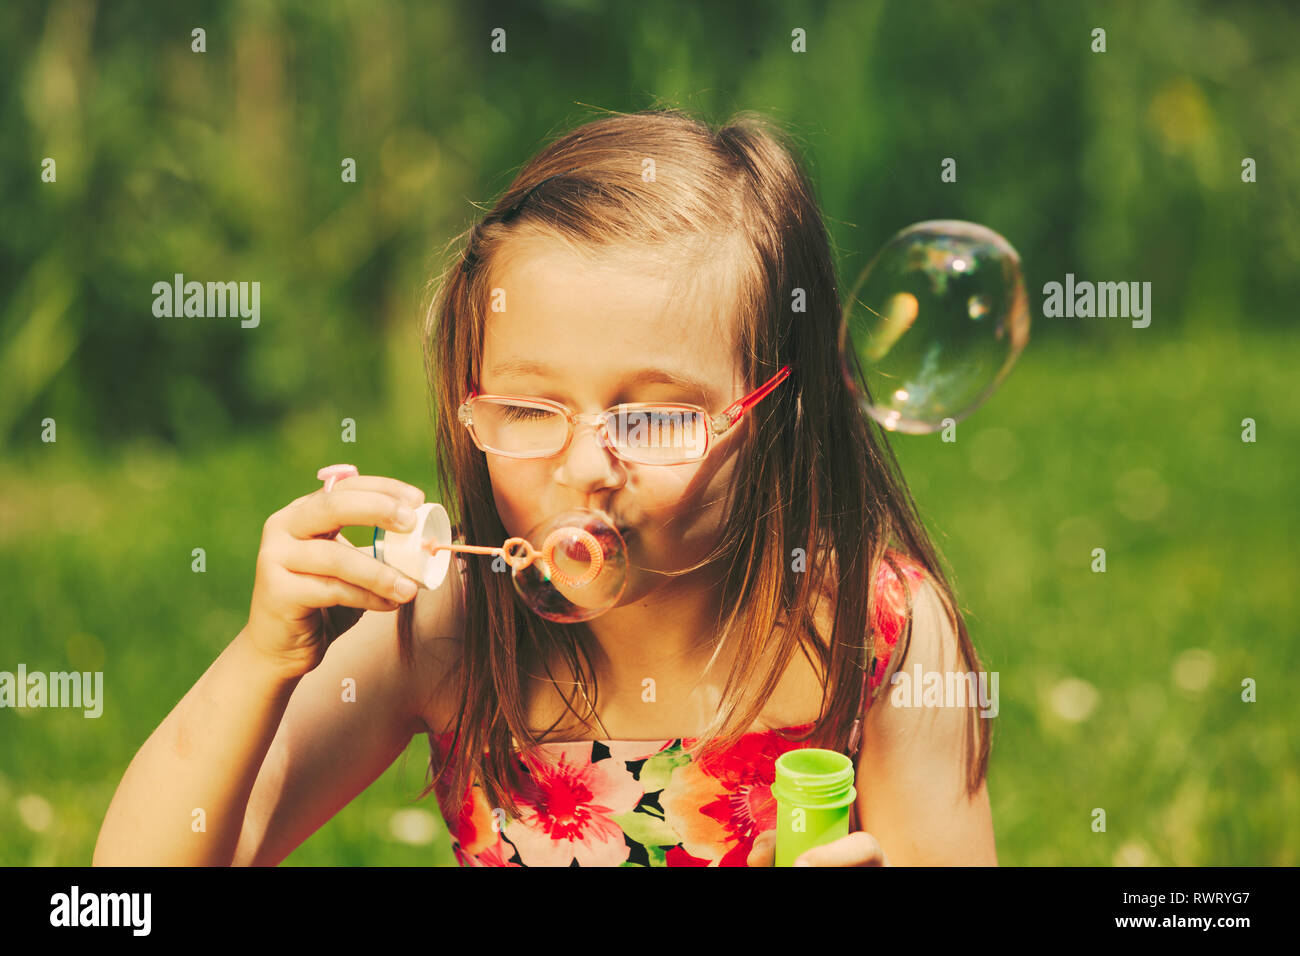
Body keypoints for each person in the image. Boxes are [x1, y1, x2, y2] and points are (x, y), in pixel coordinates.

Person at [93, 107, 996, 867]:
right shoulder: (442, 623)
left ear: (776, 410)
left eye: (654, 418)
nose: (585, 467)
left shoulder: (873, 637)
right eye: (527, 409)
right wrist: (262, 661)